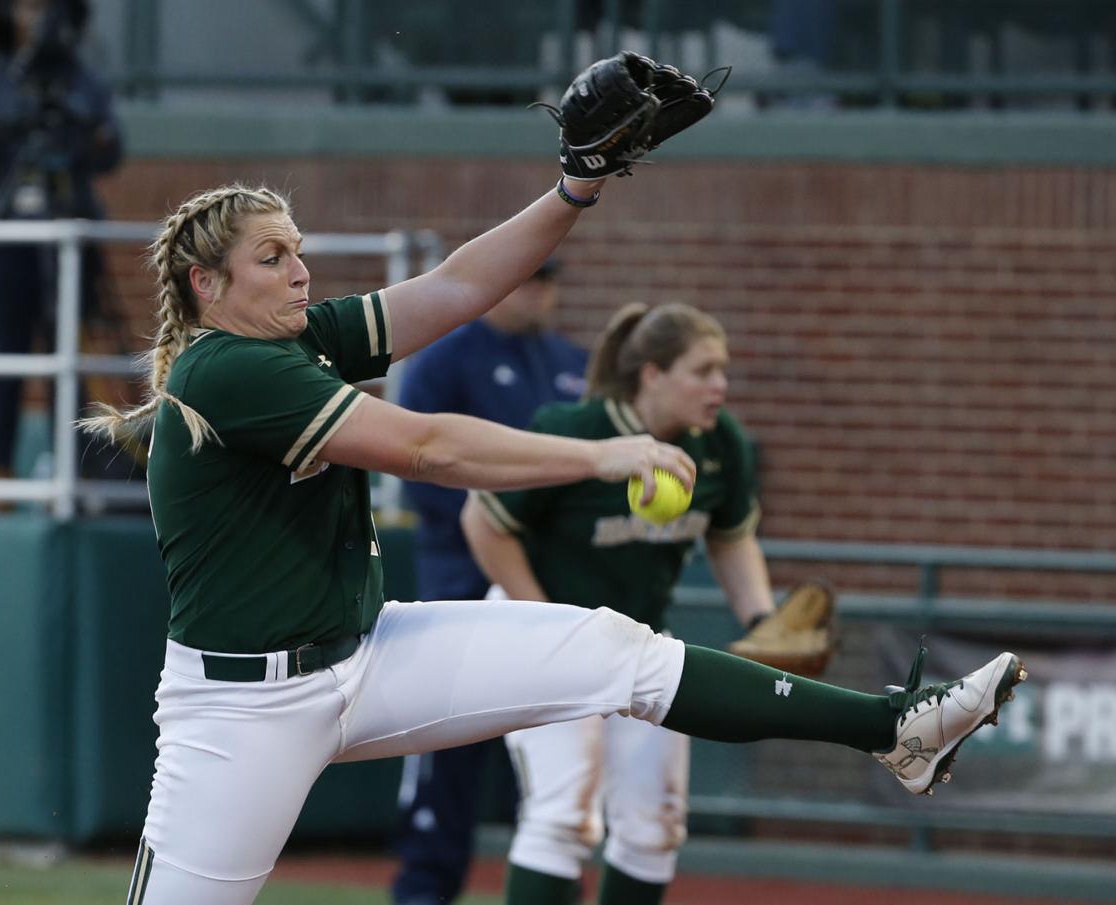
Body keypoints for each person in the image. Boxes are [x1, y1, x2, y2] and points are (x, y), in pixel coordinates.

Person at [82, 173, 1024, 905]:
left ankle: (896, 729)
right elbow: (428, 447)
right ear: (207, 283)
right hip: (245, 708)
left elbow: (459, 285)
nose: (301, 270)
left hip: (365, 654)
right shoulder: (224, 369)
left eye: (298, 250)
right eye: (272, 257)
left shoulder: (300, 341)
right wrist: (602, 454)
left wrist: (575, 186)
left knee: (619, 652)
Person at [459, 302, 799, 904]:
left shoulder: (721, 443)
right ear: (652, 374)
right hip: (541, 630)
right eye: (703, 370)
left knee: (654, 825)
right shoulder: (578, 429)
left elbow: (731, 538)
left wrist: (761, 619)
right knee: (563, 815)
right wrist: (547, 623)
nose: (720, 385)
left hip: (636, 640)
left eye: (723, 370)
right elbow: (483, 523)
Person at [392, 261, 589, 905]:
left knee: (562, 758)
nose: (540, 293)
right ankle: (424, 890)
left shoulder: (569, 363)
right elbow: (416, 467)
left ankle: (554, 884)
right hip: (461, 585)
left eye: (549, 281)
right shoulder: (445, 360)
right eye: (529, 279)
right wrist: (504, 524)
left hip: (544, 590)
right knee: (447, 743)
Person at [0, 0, 123, 503]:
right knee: (8, 351)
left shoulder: (82, 79)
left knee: (68, 352)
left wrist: (88, 133)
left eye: (47, 6)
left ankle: (70, 474)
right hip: (8, 237)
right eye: (27, 6)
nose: (38, 18)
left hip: (70, 234)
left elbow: (111, 148)